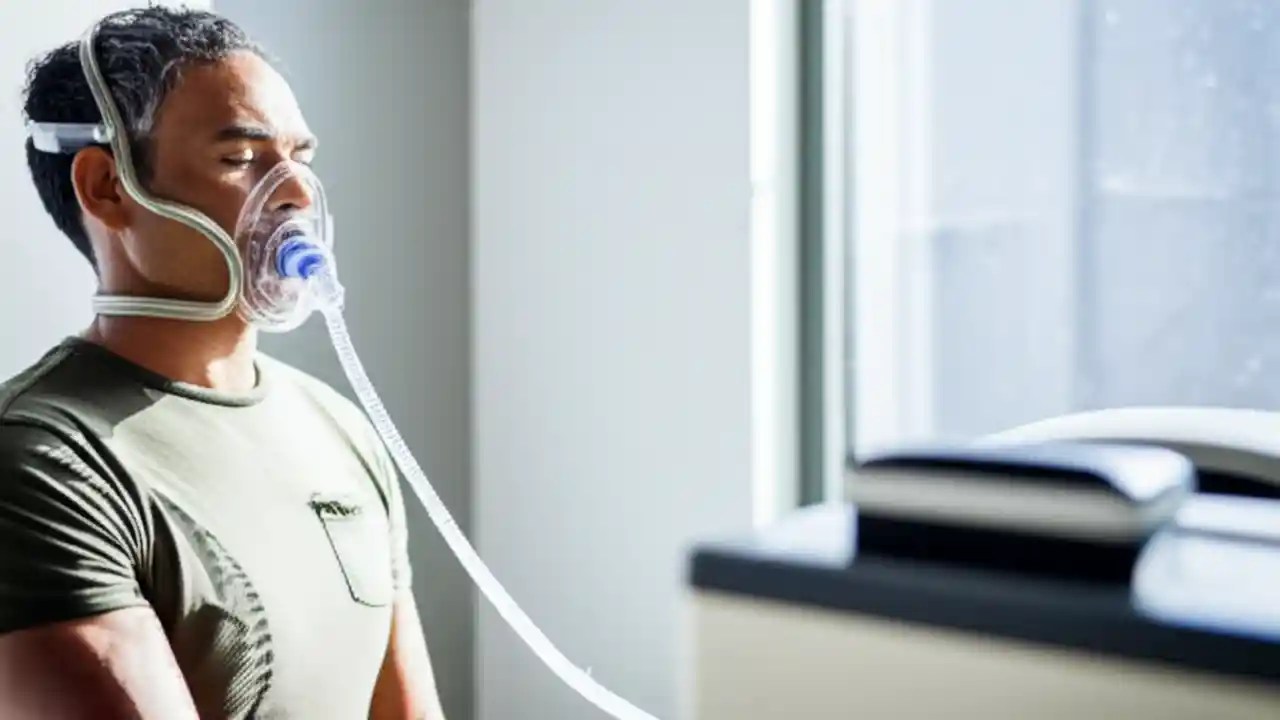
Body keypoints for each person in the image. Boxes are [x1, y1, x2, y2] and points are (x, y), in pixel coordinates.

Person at [0, 6, 445, 719]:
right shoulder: (42, 464)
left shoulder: (341, 430)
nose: (295, 193)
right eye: (240, 159)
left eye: (301, 158)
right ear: (107, 187)